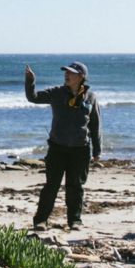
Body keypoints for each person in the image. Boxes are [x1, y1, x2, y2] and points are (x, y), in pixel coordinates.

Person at [24, 61, 101, 231]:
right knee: (52, 185)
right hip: (57, 148)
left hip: (81, 149)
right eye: (66, 72)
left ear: (81, 77)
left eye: (71, 73)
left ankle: (75, 221)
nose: (67, 75)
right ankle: (40, 220)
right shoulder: (56, 93)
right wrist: (30, 81)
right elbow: (33, 97)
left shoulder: (90, 97)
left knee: (76, 186)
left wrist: (97, 150)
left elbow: (95, 124)